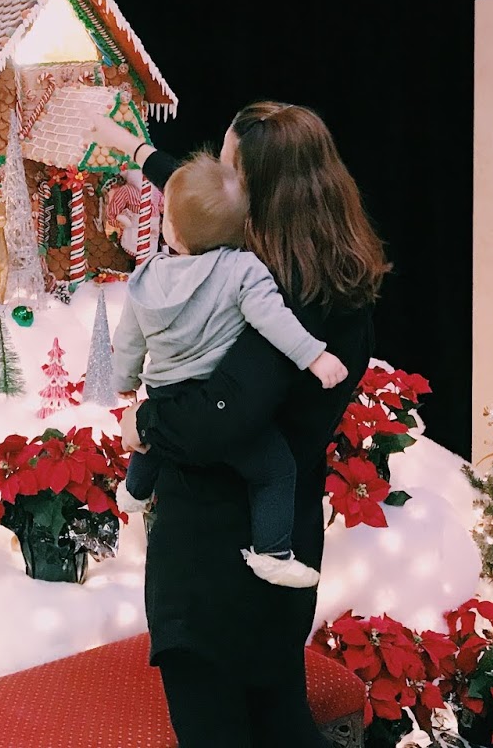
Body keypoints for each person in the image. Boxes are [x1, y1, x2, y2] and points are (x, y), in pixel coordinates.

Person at [90, 103, 388, 748]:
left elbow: (215, 419)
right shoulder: (325, 266)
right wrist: (128, 147)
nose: (211, 181)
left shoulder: (275, 292)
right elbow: (195, 192)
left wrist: (142, 419)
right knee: (275, 709)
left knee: (225, 727)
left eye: (226, 168)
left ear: (256, 193)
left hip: (215, 555)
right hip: (281, 535)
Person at [113, 153, 348, 589]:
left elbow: (129, 341)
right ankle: (272, 553)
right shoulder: (242, 269)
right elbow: (274, 319)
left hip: (167, 394)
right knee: (276, 468)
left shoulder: (145, 278)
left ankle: (134, 490)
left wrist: (125, 385)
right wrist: (314, 356)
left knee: (155, 433)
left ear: (170, 229)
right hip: (217, 404)